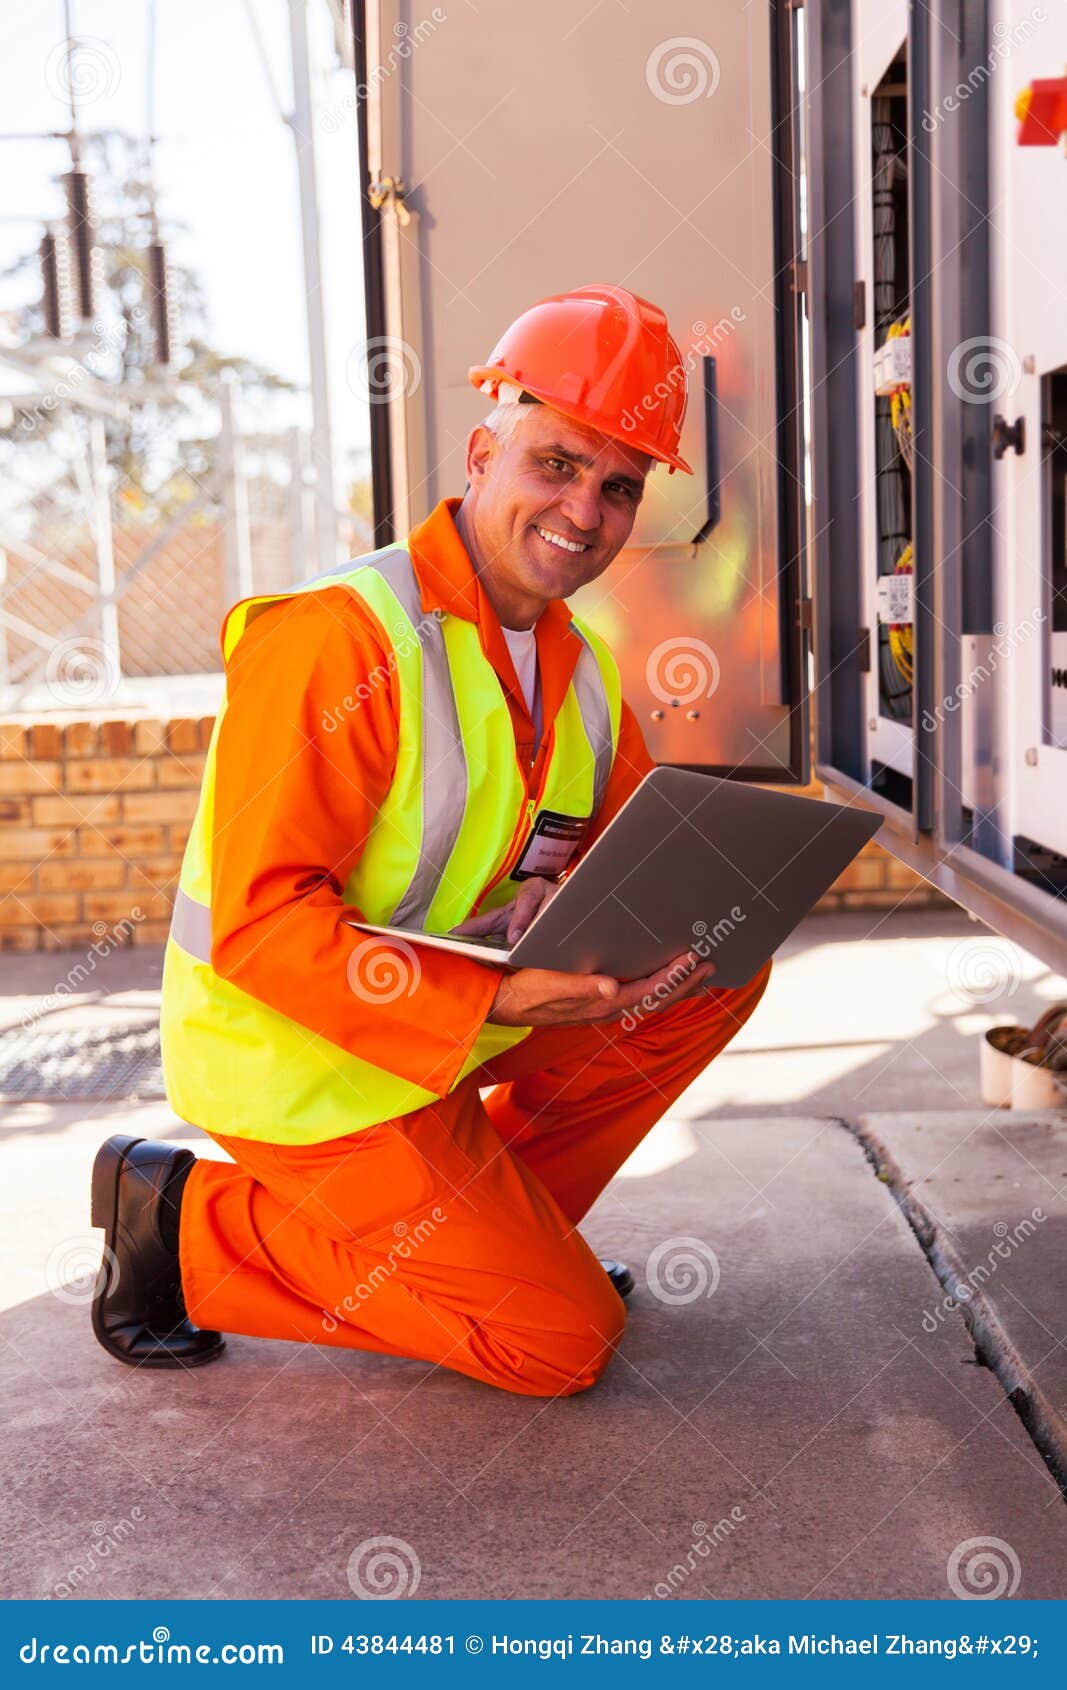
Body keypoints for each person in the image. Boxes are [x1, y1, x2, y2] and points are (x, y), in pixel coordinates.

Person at [90, 284, 772, 1398]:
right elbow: (260, 932)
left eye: (617, 486)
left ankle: (509, 1244)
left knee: (705, 977)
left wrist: (612, 909)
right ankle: (181, 1229)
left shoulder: (578, 668)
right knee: (555, 1345)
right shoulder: (333, 641)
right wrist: (495, 999)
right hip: (304, 1063)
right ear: (479, 454)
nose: (585, 511)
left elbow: (625, 860)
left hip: (439, 1030)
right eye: (555, 464)